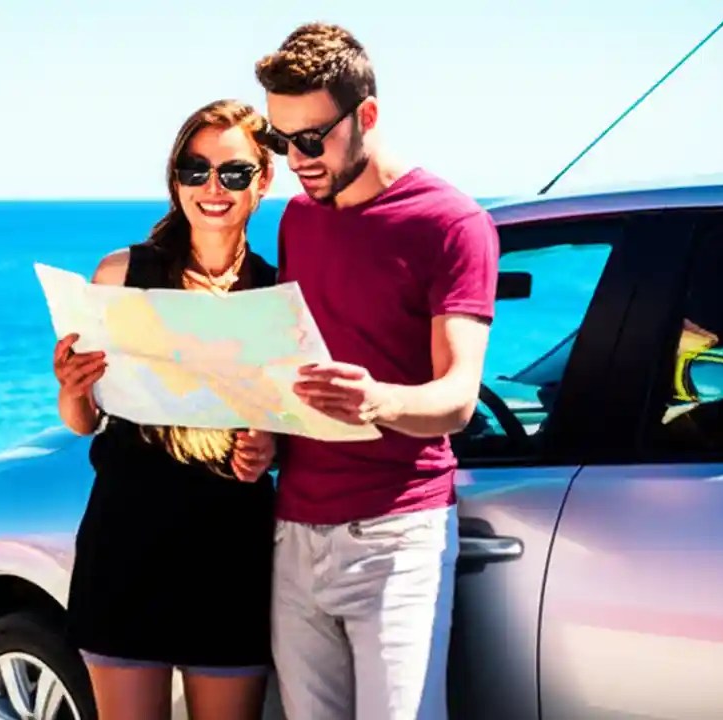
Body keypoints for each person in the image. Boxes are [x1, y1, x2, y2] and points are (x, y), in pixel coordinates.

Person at [252, 22, 500, 720]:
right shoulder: (299, 221)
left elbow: (456, 399)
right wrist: (265, 437)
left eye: (311, 139)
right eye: (280, 140)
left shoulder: (450, 225)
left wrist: (375, 400)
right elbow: (298, 372)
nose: (296, 160)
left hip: (398, 536)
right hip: (294, 531)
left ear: (366, 116)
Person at [51, 99, 280, 720]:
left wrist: (270, 447)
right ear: (174, 178)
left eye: (233, 172)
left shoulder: (276, 293)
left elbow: (282, 421)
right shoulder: (122, 274)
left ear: (263, 181)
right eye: (194, 168)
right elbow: (85, 420)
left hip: (231, 554)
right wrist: (72, 387)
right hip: (127, 544)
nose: (212, 187)